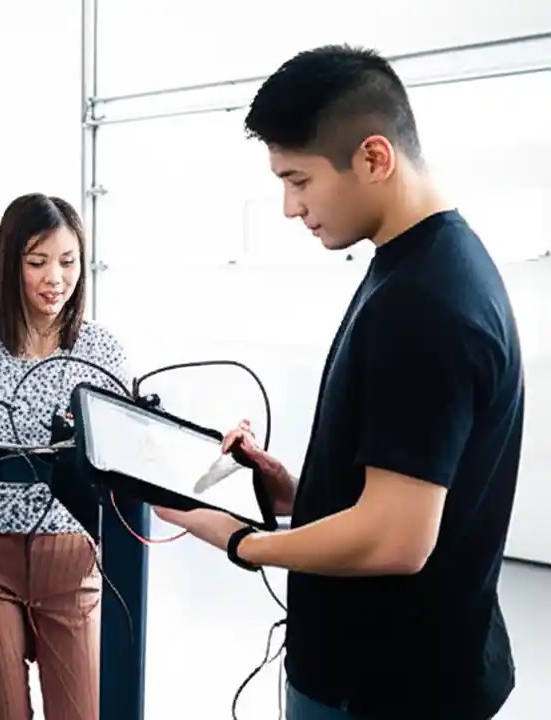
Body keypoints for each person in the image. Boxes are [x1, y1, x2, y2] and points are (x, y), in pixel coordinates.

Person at [155, 46, 522, 720]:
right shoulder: (422, 263)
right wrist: (298, 492)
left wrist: (241, 541)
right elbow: (415, 475)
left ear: (375, 159)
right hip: (412, 665)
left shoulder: (428, 303)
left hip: (386, 684)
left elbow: (395, 539)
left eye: (299, 180)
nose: (290, 207)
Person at [0, 193, 131, 720]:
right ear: (11, 262)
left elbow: (126, 453)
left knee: (81, 711)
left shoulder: (103, 350)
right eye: (37, 262)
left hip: (71, 554)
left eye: (68, 262)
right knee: (3, 712)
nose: (54, 279)